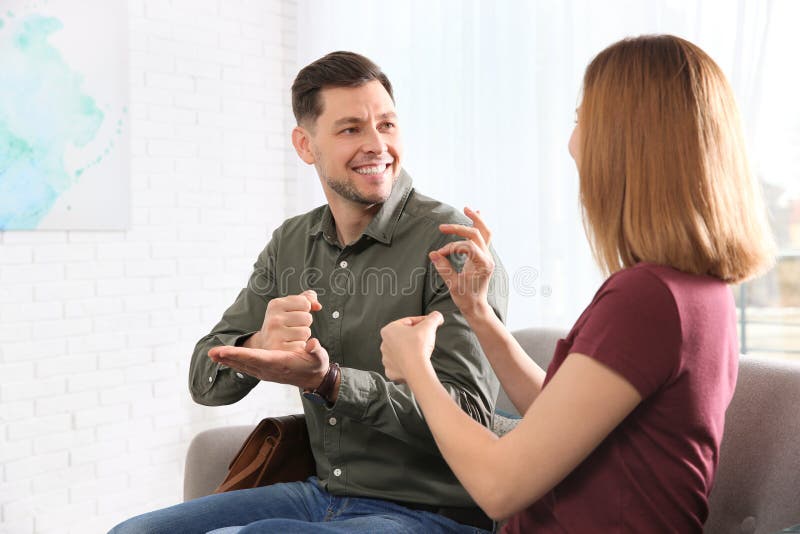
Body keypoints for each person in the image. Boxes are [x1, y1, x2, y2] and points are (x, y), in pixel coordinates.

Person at [379, 35, 775, 533]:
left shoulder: (646, 299)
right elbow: (559, 418)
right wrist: (478, 313)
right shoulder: (692, 291)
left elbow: (499, 487)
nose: (570, 144)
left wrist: (417, 367)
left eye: (580, 120)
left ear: (624, 140)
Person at [108, 51, 507, 534]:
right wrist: (257, 347)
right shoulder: (291, 244)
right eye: (350, 129)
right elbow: (204, 382)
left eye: (387, 124)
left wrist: (331, 383)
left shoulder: (450, 241)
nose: (377, 145)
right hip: (325, 495)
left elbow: (472, 415)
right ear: (305, 145)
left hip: (433, 510)